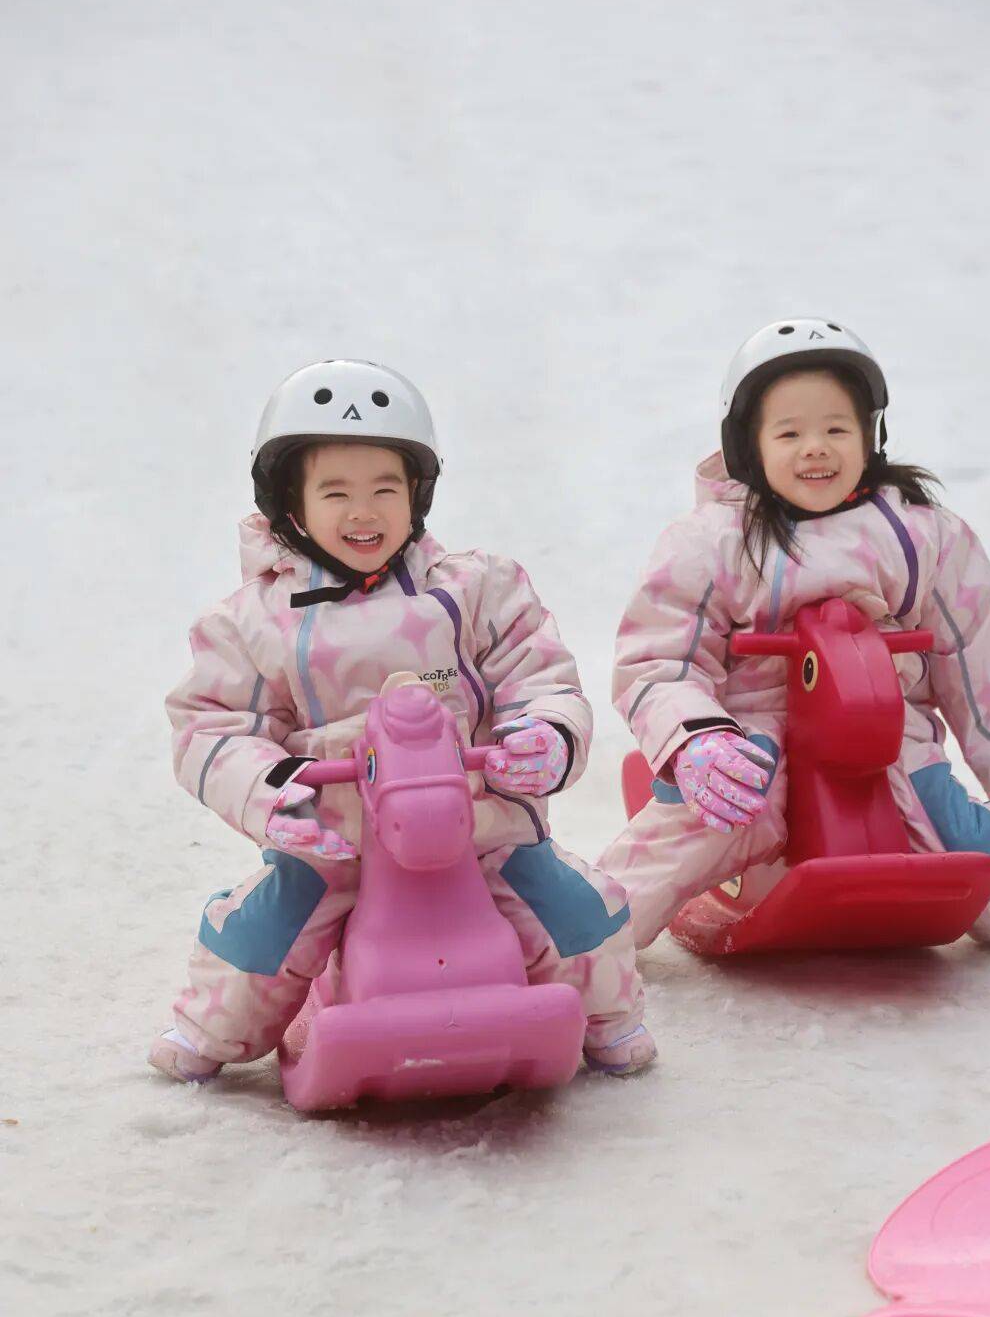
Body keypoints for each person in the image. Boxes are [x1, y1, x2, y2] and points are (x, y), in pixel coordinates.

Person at [151, 360, 656, 1082]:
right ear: (288, 502)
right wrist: (273, 793)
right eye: (337, 492)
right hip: (338, 831)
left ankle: (610, 1019)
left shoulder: (476, 588)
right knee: (267, 929)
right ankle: (209, 1031)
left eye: (385, 489)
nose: (364, 512)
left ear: (417, 496)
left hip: (481, 820)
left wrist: (543, 735)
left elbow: (537, 672)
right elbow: (211, 726)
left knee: (575, 908)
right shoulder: (251, 622)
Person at [599, 318, 990, 949]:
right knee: (705, 823)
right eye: (790, 432)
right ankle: (579, 934)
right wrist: (696, 738)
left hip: (890, 746)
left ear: (870, 434)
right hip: (750, 742)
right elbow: (661, 661)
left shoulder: (926, 537)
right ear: (749, 446)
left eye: (835, 429)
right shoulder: (710, 541)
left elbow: (986, 677)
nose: (815, 448)